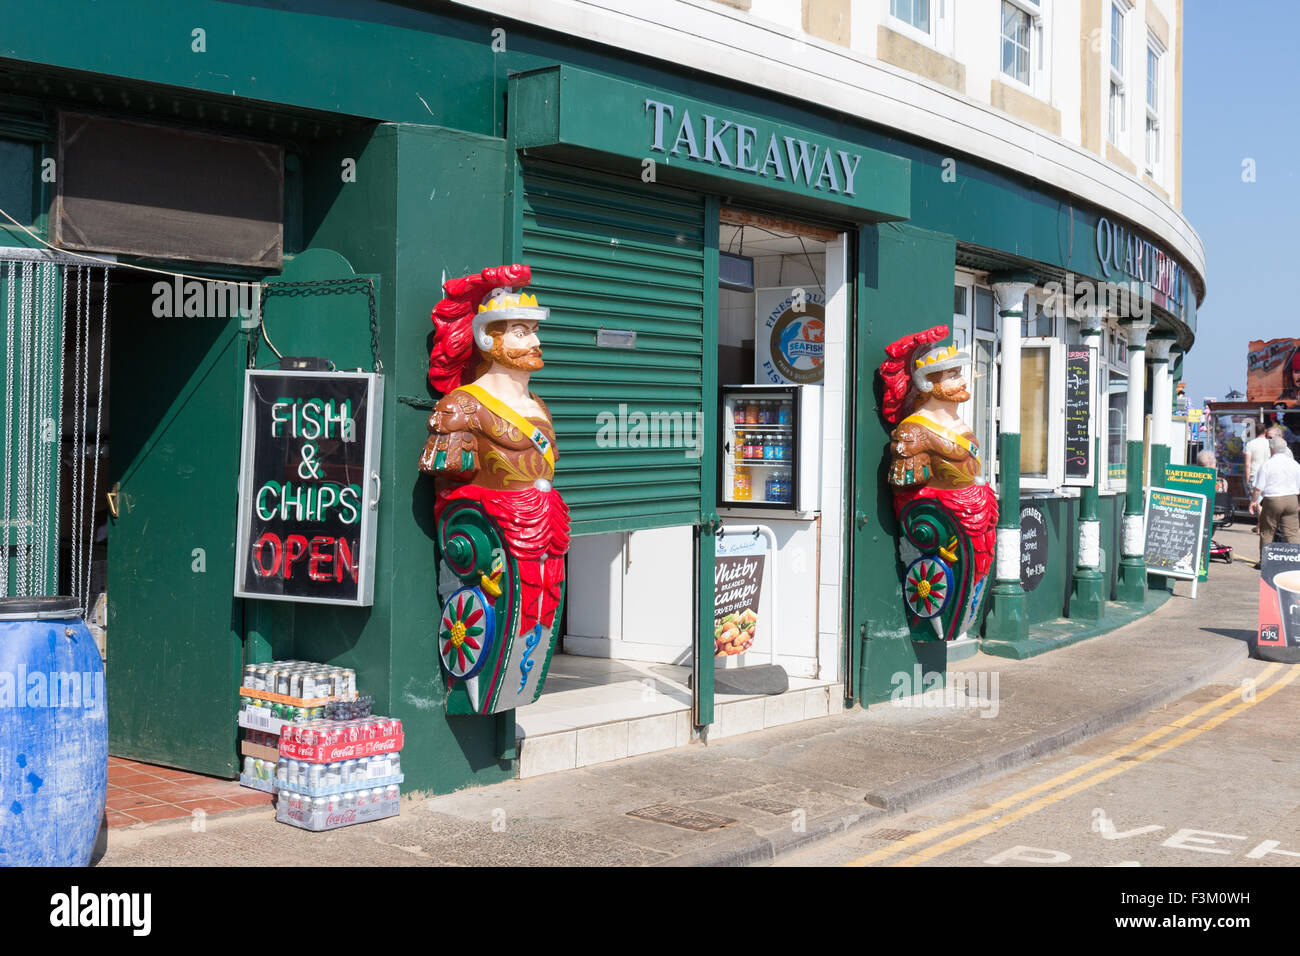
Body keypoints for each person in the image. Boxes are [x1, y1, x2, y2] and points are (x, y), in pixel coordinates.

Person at [419, 264, 570, 710]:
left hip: (544, 530)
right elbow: (449, 489)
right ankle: (480, 688)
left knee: (539, 619)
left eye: (533, 332)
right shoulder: (463, 405)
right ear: (490, 339)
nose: (535, 343)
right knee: (498, 621)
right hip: (498, 538)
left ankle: (517, 685)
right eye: (521, 332)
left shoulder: (536, 403)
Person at [1248, 436, 1300, 563]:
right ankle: (1295, 560)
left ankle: (1264, 561)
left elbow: (1258, 488)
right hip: (1292, 499)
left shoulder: (1267, 464)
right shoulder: (1295, 464)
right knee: (1292, 532)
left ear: (1271, 449)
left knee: (1268, 531)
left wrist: (1253, 502)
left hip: (1273, 499)